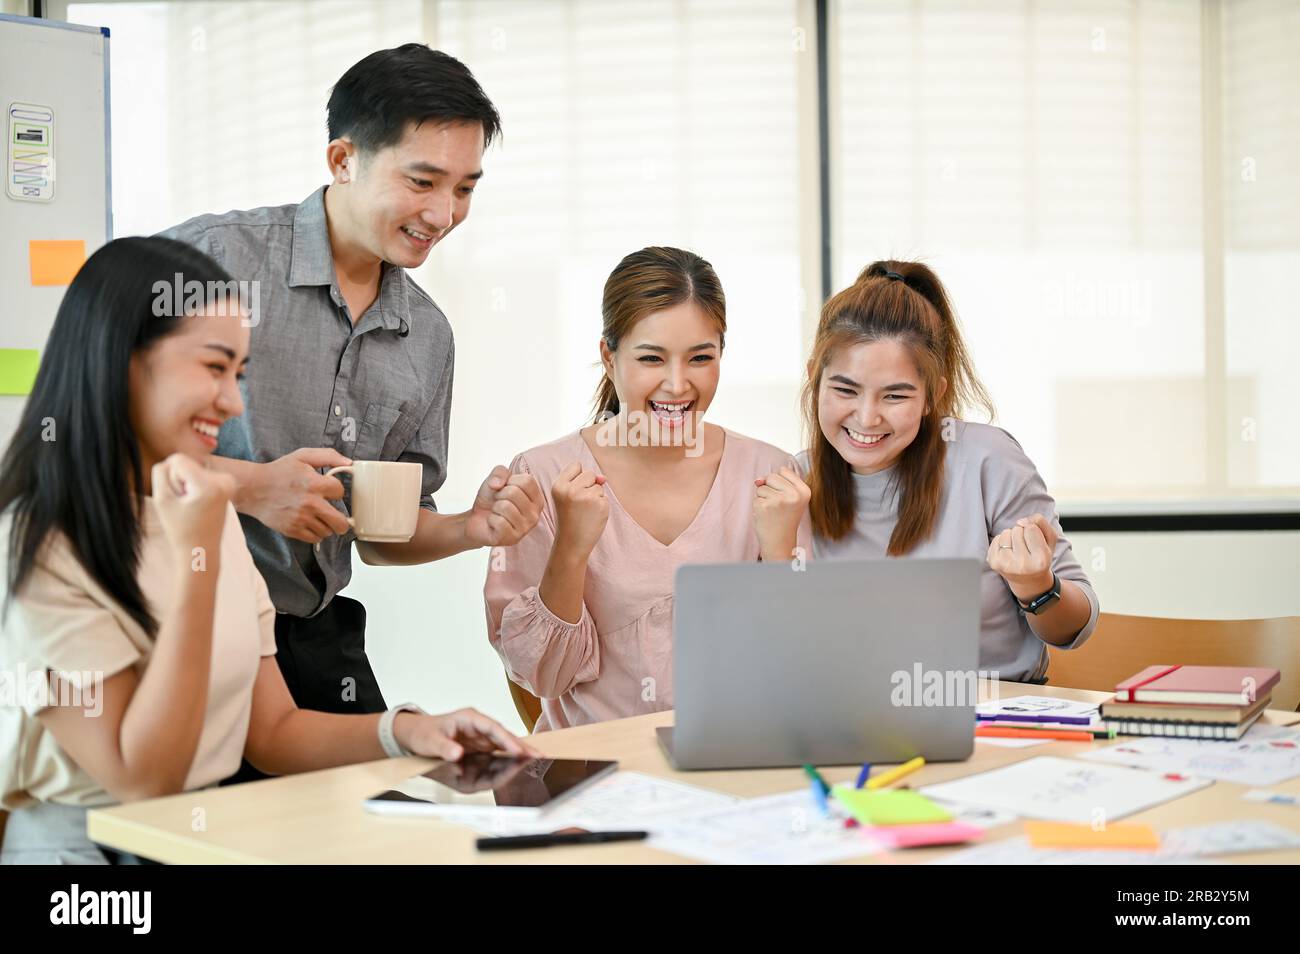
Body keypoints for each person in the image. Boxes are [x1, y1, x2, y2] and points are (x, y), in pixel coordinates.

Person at [0, 239, 534, 864]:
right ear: (123, 362)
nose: (232, 402)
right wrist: (198, 559)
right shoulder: (41, 541)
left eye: (240, 374)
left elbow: (275, 732)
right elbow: (143, 777)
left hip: (197, 839)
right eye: (213, 367)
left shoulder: (206, 514)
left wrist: (415, 731)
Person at [160, 44, 543, 729]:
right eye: (423, 181)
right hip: (171, 622)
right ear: (343, 160)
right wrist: (249, 487)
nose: (444, 212)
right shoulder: (213, 260)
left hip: (313, 636)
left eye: (465, 188)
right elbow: (84, 437)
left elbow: (378, 536)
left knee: (391, 816)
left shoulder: (427, 335)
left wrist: (469, 528)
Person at [484, 246, 811, 731]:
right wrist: (571, 548)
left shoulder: (772, 476)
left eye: (701, 357)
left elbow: (796, 672)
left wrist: (781, 555)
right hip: (593, 777)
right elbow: (542, 676)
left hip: (730, 768)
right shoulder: (541, 474)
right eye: (652, 358)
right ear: (608, 357)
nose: (677, 385)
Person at [762, 260, 1098, 682]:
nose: (867, 418)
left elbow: (1075, 628)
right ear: (815, 378)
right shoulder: (793, 486)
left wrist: (1037, 587)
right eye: (845, 389)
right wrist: (776, 552)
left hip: (994, 716)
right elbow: (781, 661)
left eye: (895, 396)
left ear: (932, 395)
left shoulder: (985, 460)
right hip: (852, 720)